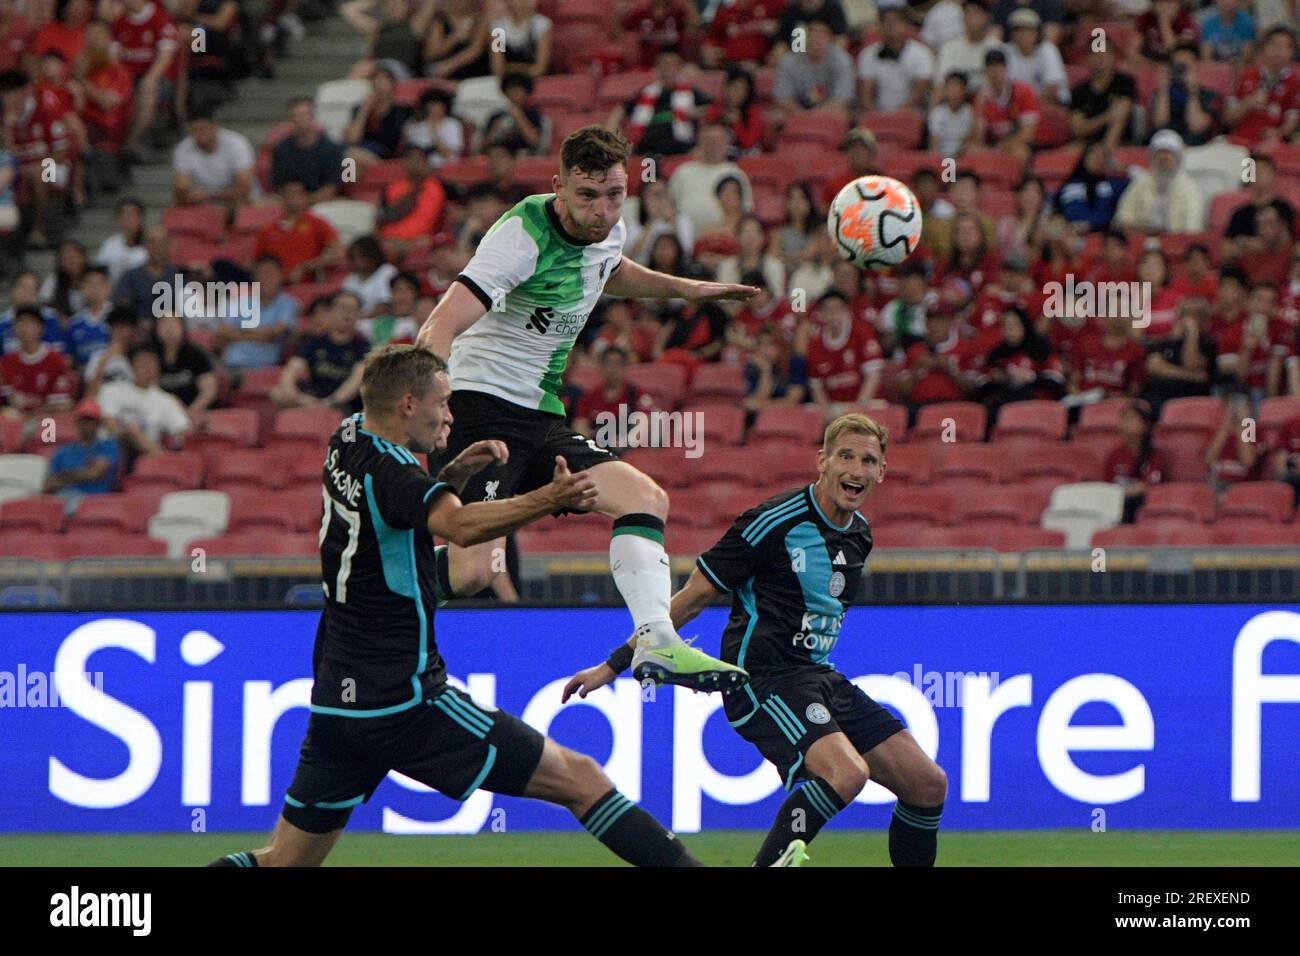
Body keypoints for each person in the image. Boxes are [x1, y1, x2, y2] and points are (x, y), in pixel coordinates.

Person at [206, 345, 740, 869]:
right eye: (443, 402)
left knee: (283, 863)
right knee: (581, 781)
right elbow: (460, 526)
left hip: (337, 704)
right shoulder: (394, 475)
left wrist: (454, 475)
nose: (450, 414)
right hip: (405, 701)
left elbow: (411, 528)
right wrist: (549, 499)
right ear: (409, 404)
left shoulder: (346, 438)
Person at [416, 125, 758, 690]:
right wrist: (430, 414)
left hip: (540, 413)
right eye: (587, 196)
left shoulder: (609, 229)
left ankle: (657, 642)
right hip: (480, 405)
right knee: (473, 573)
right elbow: (441, 324)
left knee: (645, 499)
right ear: (559, 186)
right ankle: (377, 579)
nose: (602, 211)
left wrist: (689, 289)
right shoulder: (521, 236)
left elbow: (609, 271)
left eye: (614, 195)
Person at [563, 413, 948, 868]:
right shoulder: (772, 522)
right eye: (845, 456)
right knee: (846, 773)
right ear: (822, 461)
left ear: (881, 472)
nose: (856, 470)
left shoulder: (859, 534)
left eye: (868, 461)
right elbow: (690, 599)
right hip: (762, 679)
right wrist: (614, 663)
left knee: (927, 784)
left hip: (815, 677)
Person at [272, 291, 369, 411]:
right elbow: (292, 369)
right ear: (331, 311)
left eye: (353, 309)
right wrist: (297, 397)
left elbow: (357, 379)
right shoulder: (316, 341)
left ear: (359, 315)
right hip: (316, 394)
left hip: (346, 400)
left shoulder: (363, 345)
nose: (348, 313)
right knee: (277, 393)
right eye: (343, 307)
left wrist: (331, 402)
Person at [98, 344, 192, 457]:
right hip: (111, 449)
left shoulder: (165, 400)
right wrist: (128, 432)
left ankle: (165, 462)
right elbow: (109, 423)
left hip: (145, 454)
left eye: (152, 364)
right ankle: (164, 460)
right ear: (132, 367)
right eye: (143, 364)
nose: (148, 368)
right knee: (131, 432)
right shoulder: (111, 390)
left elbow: (182, 431)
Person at [1113, 128, 1205, 234]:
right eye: (1159, 153)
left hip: (1173, 242)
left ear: (1178, 158)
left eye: (1168, 153)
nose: (1163, 157)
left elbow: (1192, 228)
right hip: (1140, 239)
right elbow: (1122, 217)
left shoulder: (1189, 188)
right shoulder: (1141, 183)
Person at [0, 306, 75, 435]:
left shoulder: (55, 360)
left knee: (49, 425)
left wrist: (35, 415)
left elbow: (64, 404)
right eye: (20, 324)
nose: (24, 329)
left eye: (29, 324)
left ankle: (48, 451)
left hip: (46, 418)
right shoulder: (7, 362)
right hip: (17, 421)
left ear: (41, 328)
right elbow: (6, 400)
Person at [43, 398, 120, 513]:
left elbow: (95, 473)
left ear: (98, 423)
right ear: (77, 422)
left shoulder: (108, 446)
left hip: (92, 502)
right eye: (83, 420)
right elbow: (48, 485)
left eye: (90, 420)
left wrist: (63, 476)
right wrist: (82, 474)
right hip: (61, 498)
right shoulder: (62, 452)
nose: (86, 425)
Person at [857, 4, 934, 112]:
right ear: (879, 26)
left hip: (912, 112)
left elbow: (920, 91)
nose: (891, 25)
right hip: (878, 112)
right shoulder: (868, 54)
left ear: (906, 25)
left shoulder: (921, 53)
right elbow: (866, 94)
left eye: (896, 21)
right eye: (886, 21)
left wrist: (899, 114)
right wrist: (876, 114)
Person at [269, 98, 345, 203]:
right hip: (290, 202)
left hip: (324, 203)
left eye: (305, 115)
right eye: (296, 116)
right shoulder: (281, 149)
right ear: (290, 120)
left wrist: (306, 201)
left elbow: (332, 187)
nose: (301, 119)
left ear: (313, 117)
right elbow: (279, 185)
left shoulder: (331, 149)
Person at [1104, 400, 1167, 523]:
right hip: (1118, 504)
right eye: (1123, 419)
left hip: (1144, 504)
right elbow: (1108, 485)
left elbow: (1151, 485)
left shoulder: (1156, 456)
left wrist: (1134, 489)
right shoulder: (1114, 455)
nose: (1125, 423)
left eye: (1132, 419)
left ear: (1145, 425)